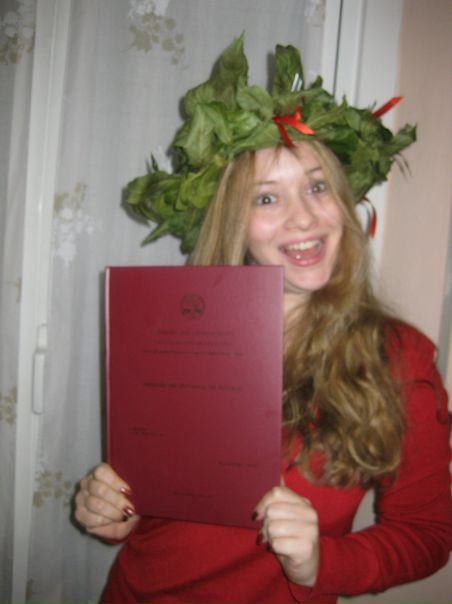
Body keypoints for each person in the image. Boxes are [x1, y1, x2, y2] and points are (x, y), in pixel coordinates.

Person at [74, 37, 452, 603]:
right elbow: (148, 503)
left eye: (317, 187)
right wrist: (112, 511)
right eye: (267, 198)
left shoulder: (397, 358)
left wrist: (322, 562)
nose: (303, 218)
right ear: (235, 222)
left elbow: (427, 534)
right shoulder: (176, 335)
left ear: (344, 203)